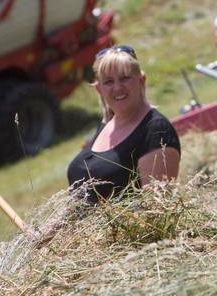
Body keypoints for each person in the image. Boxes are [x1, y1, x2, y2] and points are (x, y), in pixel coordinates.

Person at [67, 45, 181, 202]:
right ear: (99, 89)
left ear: (141, 80)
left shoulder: (156, 130)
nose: (117, 88)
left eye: (125, 78)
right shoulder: (107, 124)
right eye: (108, 81)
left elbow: (158, 210)